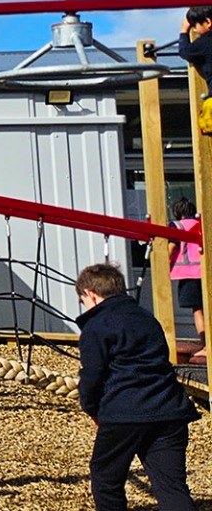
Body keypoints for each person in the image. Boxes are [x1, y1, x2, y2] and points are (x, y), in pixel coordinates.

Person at [75, 262, 199, 511]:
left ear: (90, 294)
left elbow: (92, 375)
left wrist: (91, 407)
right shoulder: (146, 318)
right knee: (171, 486)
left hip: (125, 412)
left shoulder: (97, 325)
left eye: (83, 300)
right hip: (169, 409)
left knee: (106, 478)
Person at [166, 198, 204, 363]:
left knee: (198, 310)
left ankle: (205, 344)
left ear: (177, 212)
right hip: (204, 271)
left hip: (188, 273)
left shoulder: (176, 226)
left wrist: (163, 264)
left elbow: (172, 246)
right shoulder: (201, 224)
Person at [182, 6, 212, 135]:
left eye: (195, 25)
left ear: (208, 22)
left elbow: (185, 51)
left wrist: (184, 31)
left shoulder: (205, 42)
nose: (194, 29)